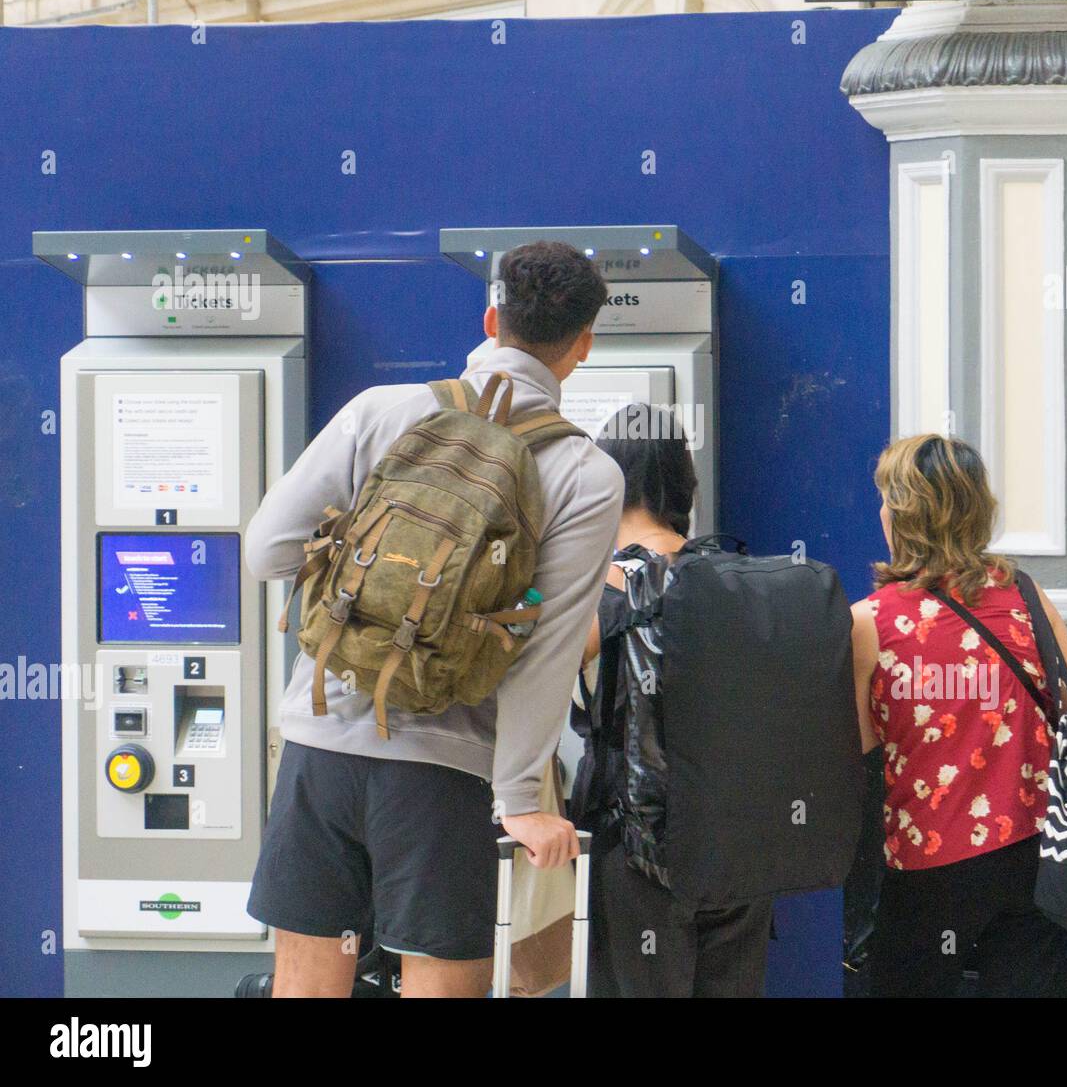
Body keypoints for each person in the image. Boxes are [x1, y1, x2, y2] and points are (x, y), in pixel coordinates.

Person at [243, 241, 625, 998]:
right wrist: (518, 800)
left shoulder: (382, 410)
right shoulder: (586, 473)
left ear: (490, 318)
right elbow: (543, 650)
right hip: (445, 770)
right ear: (582, 346)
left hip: (320, 745)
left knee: (307, 983)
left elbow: (266, 550)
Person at [851, 433, 1067, 998]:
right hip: (1034, 858)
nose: (881, 510)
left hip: (925, 869)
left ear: (906, 516)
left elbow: (862, 751)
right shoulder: (1028, 599)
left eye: (887, 499)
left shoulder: (869, 622)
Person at [569, 403, 774, 997]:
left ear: (609, 482)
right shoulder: (741, 581)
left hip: (631, 856)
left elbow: (518, 695)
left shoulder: (593, 593)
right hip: (740, 856)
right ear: (685, 485)